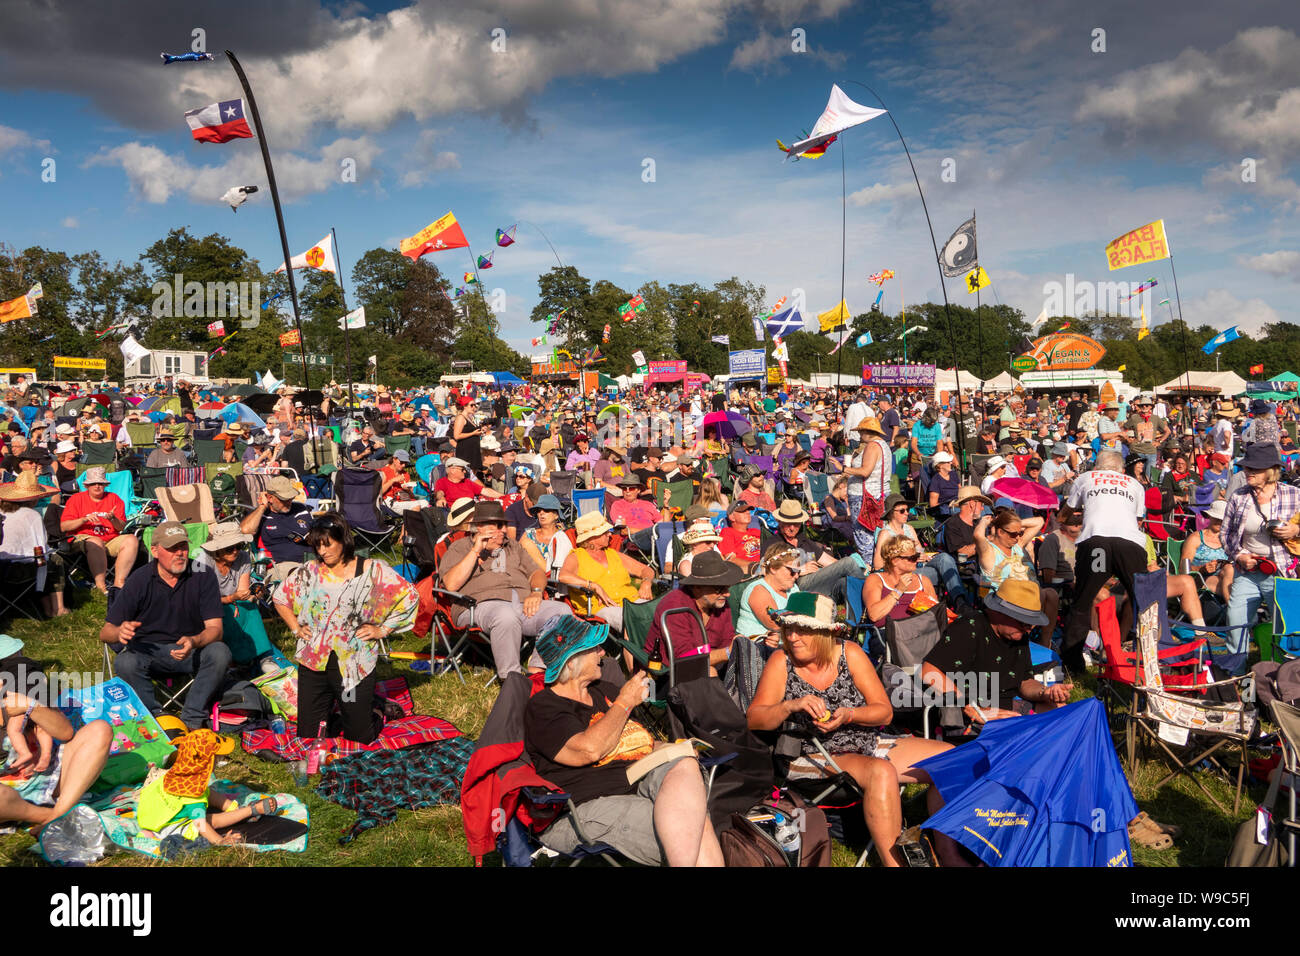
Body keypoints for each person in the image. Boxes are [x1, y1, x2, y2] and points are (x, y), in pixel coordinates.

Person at [747, 591, 956, 867]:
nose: (793, 636)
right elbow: (754, 719)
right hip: (811, 753)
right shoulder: (781, 662)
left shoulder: (850, 653)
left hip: (865, 741)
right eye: (789, 628)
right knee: (881, 772)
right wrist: (790, 706)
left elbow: (883, 710)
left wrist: (849, 715)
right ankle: (896, 863)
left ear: (823, 633)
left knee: (953, 761)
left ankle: (947, 853)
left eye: (801, 629)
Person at [523, 616, 723, 866]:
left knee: (685, 768)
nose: (603, 652)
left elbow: (639, 742)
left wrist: (678, 749)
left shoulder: (603, 691)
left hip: (635, 781)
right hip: (584, 807)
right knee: (691, 824)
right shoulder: (544, 707)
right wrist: (624, 702)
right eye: (595, 648)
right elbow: (588, 750)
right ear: (572, 660)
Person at [273, 514, 417, 742]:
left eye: (328, 544)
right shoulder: (309, 571)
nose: (322, 551)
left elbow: (408, 596)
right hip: (314, 660)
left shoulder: (373, 570)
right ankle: (338, 709)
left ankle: (378, 710)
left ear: (344, 540)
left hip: (353, 663)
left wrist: (383, 630)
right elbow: (280, 597)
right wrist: (295, 628)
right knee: (309, 737)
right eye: (318, 545)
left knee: (359, 736)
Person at [100, 521, 229, 731]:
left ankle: (192, 718)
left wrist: (195, 640)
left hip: (190, 650)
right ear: (155, 550)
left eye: (183, 547)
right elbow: (105, 633)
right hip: (148, 652)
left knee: (220, 652)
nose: (180, 553)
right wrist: (119, 631)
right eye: (172, 548)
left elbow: (216, 629)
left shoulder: (203, 575)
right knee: (125, 661)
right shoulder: (139, 580)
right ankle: (157, 718)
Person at [438, 500, 572, 679]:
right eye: (498, 525)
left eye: (504, 525)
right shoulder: (460, 547)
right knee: (505, 614)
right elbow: (451, 584)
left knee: (562, 611)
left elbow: (536, 573)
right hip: (477, 606)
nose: (503, 530)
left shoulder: (513, 546)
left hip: (522, 604)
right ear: (479, 527)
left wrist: (537, 591)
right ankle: (511, 679)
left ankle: (538, 671)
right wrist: (476, 551)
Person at [921, 579, 1073, 725]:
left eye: (1032, 625)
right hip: (965, 711)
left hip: (1003, 707)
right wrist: (971, 708)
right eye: (1024, 622)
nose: (1029, 629)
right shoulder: (970, 627)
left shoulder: (1018, 635)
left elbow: (1024, 681)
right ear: (999, 612)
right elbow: (928, 672)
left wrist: (1045, 692)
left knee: (1061, 711)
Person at [1061, 449, 1149, 671]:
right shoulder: (1135, 484)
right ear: (1121, 469)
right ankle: (1151, 658)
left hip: (1096, 540)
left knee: (1083, 599)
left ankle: (1073, 663)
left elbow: (1065, 513)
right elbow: (1137, 518)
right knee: (1146, 602)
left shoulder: (1085, 478)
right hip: (1129, 544)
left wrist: (1067, 517)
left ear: (1096, 467)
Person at [1220, 443, 1300, 670]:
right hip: (1248, 571)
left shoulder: (1294, 495)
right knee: (1235, 621)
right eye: (1247, 467)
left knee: (1288, 628)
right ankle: (1236, 676)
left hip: (1283, 572)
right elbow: (1226, 535)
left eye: (1255, 468)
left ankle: (1289, 680)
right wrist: (1240, 556)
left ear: (1271, 471)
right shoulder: (1239, 497)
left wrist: (1295, 530)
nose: (1249, 472)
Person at [0, 681, 112, 833]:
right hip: (7, 794)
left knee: (100, 730)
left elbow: (65, 732)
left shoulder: (15, 694)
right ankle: (44, 816)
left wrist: (30, 705)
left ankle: (58, 813)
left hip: (48, 778)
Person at [559, 511, 653, 631]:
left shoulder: (614, 554)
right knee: (631, 622)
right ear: (592, 537)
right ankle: (635, 649)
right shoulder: (577, 556)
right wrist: (593, 586)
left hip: (631, 599)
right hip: (602, 606)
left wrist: (646, 582)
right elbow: (563, 576)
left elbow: (646, 569)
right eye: (605, 532)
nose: (610, 534)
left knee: (658, 614)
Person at [645, 551, 740, 671]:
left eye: (727, 587)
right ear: (697, 587)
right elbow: (685, 658)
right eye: (719, 589)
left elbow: (727, 640)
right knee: (709, 672)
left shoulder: (721, 605)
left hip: (710, 666)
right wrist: (726, 653)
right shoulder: (675, 606)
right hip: (668, 672)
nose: (727, 594)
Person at [60, 466, 139, 600]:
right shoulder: (76, 499)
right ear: (87, 486)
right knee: (95, 542)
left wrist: (113, 519)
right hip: (83, 539)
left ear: (105, 485)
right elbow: (64, 526)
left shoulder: (114, 499)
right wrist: (83, 520)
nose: (97, 486)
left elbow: (120, 527)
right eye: (93, 484)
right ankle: (101, 585)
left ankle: (119, 583)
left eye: (100, 483)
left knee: (131, 540)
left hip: (110, 539)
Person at [0, 471, 67, 617]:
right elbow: (41, 547)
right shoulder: (32, 515)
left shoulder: (1, 512)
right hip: (19, 572)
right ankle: (57, 608)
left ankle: (46, 606)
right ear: (33, 499)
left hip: (2, 568)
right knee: (54, 560)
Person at [771, 498, 863, 600]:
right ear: (780, 522)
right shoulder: (774, 543)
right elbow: (765, 570)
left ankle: (860, 613)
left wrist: (857, 568)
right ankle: (873, 597)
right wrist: (797, 570)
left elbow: (830, 562)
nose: (792, 528)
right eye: (788, 523)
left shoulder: (803, 540)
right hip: (796, 585)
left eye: (796, 523)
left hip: (818, 581)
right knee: (848, 562)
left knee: (846, 583)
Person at [863, 535, 942, 629]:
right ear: (894, 560)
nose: (916, 560)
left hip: (922, 632)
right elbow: (874, 615)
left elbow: (938, 614)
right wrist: (898, 591)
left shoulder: (924, 581)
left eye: (917, 556)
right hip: (891, 635)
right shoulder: (875, 579)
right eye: (912, 558)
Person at [843, 417, 893, 566]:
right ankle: (881, 566)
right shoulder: (883, 445)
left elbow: (865, 471)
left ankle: (869, 570)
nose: (859, 435)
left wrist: (845, 469)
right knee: (877, 535)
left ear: (867, 431)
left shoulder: (872, 445)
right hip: (880, 494)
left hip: (865, 496)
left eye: (861, 431)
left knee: (863, 536)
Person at [238, 474, 313, 568]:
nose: (289, 502)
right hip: (282, 566)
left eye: (291, 498)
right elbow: (244, 530)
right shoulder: (262, 515)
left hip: (312, 561)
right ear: (270, 498)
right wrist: (262, 507)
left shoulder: (301, 508)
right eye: (284, 499)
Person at [735, 544, 801, 646]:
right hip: (756, 649)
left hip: (784, 645)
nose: (796, 576)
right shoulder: (758, 590)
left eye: (798, 571)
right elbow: (775, 623)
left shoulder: (793, 588)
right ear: (773, 568)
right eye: (792, 571)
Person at [1188, 499, 1233, 602]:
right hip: (1200, 578)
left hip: (1224, 577)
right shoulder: (1196, 538)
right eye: (1217, 518)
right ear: (1210, 516)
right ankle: (1234, 612)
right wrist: (1201, 568)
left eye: (1222, 519)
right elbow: (1183, 569)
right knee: (1234, 586)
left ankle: (1234, 611)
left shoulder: (1228, 540)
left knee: (1230, 570)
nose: (1219, 521)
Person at [608, 474, 664, 551]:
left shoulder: (647, 504)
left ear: (638, 490)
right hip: (634, 539)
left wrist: (666, 506)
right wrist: (649, 532)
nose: (627, 491)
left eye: (631, 488)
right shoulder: (618, 505)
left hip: (654, 535)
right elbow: (624, 531)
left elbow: (662, 523)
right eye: (624, 488)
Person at [519, 493, 572, 576]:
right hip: (533, 579)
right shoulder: (528, 535)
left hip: (560, 581)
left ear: (556, 515)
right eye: (539, 510)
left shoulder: (564, 536)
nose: (541, 513)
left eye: (546, 510)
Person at [433, 457, 502, 507]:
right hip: (455, 512)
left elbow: (485, 491)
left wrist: (503, 496)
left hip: (472, 510)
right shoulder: (442, 482)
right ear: (452, 470)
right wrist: (441, 499)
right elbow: (439, 493)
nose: (465, 471)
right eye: (462, 469)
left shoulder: (467, 482)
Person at [718, 499, 761, 571]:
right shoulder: (727, 532)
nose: (748, 512)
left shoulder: (756, 531)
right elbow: (731, 559)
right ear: (732, 517)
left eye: (748, 510)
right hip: (747, 571)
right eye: (743, 511)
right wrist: (755, 566)